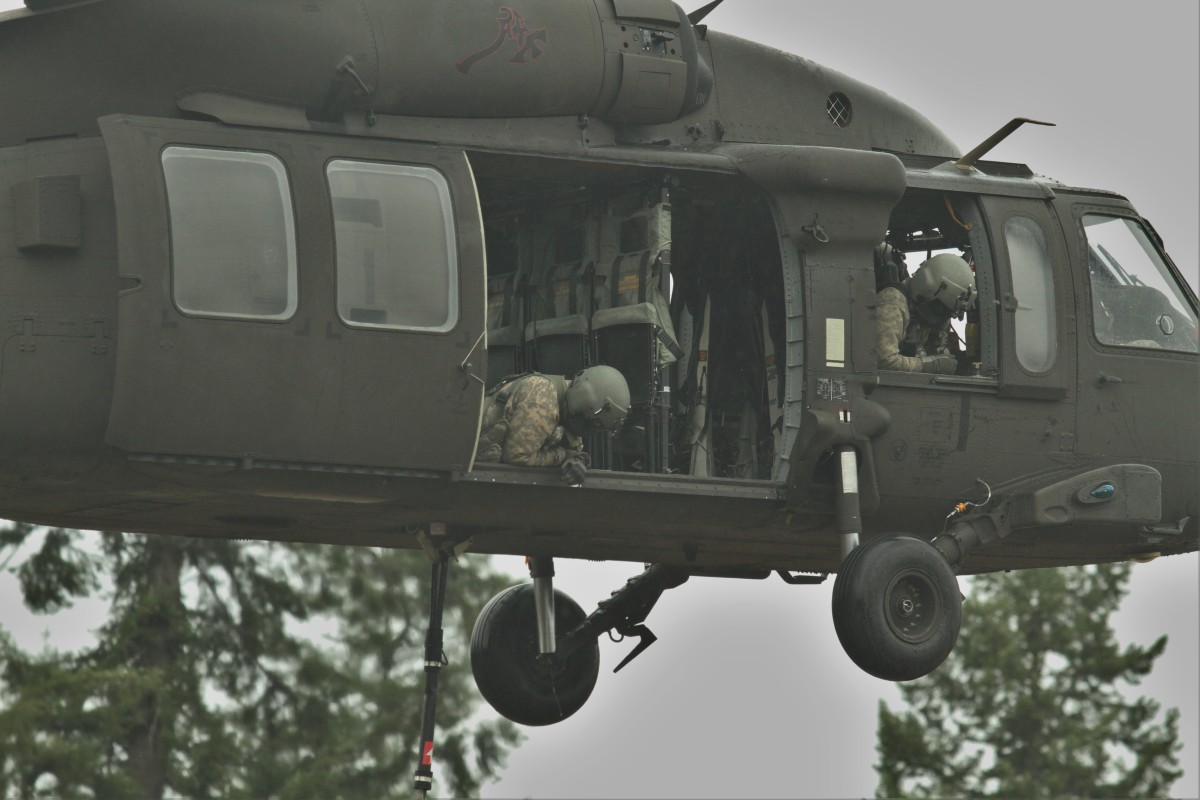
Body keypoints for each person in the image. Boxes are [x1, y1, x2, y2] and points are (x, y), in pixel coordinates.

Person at [475, 365, 630, 485]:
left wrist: (579, 461)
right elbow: (517, 455)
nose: (587, 431)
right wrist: (561, 456)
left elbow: (574, 450)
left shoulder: (568, 406)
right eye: (590, 425)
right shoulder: (543, 402)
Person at [876, 252, 976, 373]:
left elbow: (935, 349)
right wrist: (934, 365)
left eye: (948, 313)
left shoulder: (934, 310)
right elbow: (885, 361)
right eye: (939, 308)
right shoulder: (894, 302)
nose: (941, 318)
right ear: (925, 289)